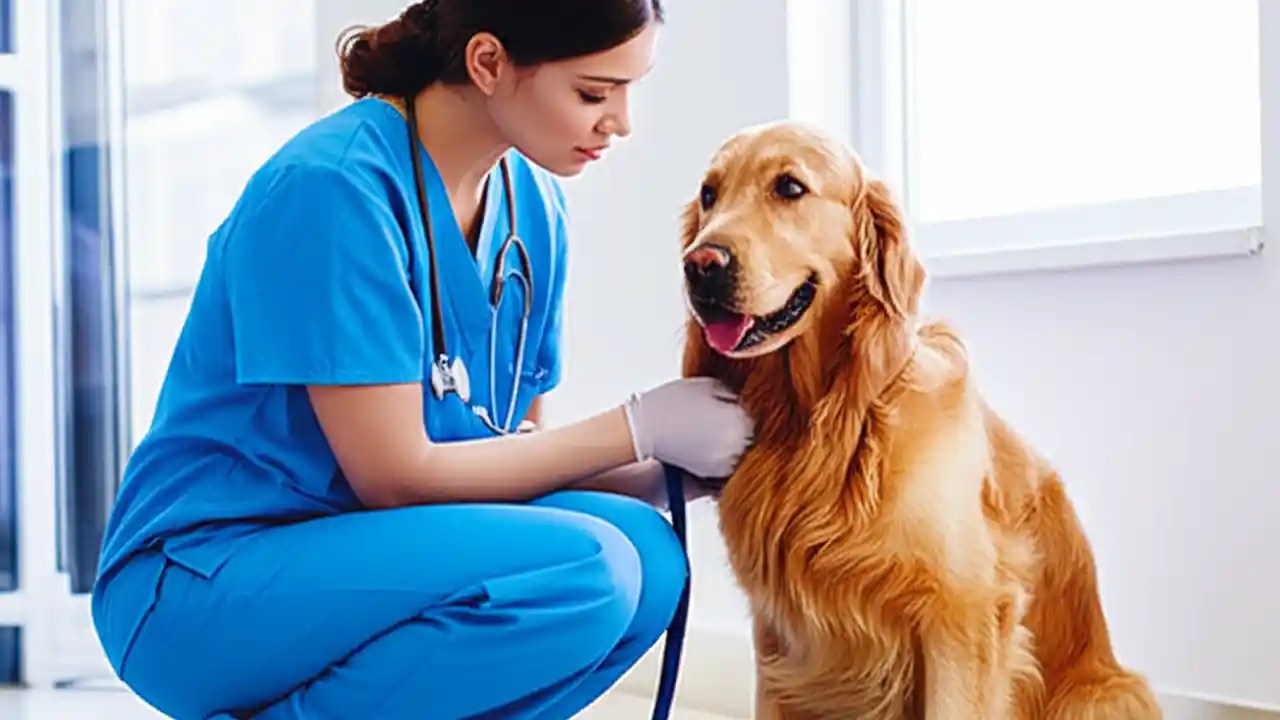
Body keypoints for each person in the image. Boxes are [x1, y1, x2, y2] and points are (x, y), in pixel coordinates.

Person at [88, 2, 755, 718]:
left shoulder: (533, 209)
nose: (620, 121)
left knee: (650, 562)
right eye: (594, 92)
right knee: (586, 569)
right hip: (201, 583)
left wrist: (679, 470)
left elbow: (510, 460)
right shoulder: (334, 189)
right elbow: (397, 479)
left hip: (371, 557)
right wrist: (638, 428)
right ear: (489, 62)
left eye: (631, 90)